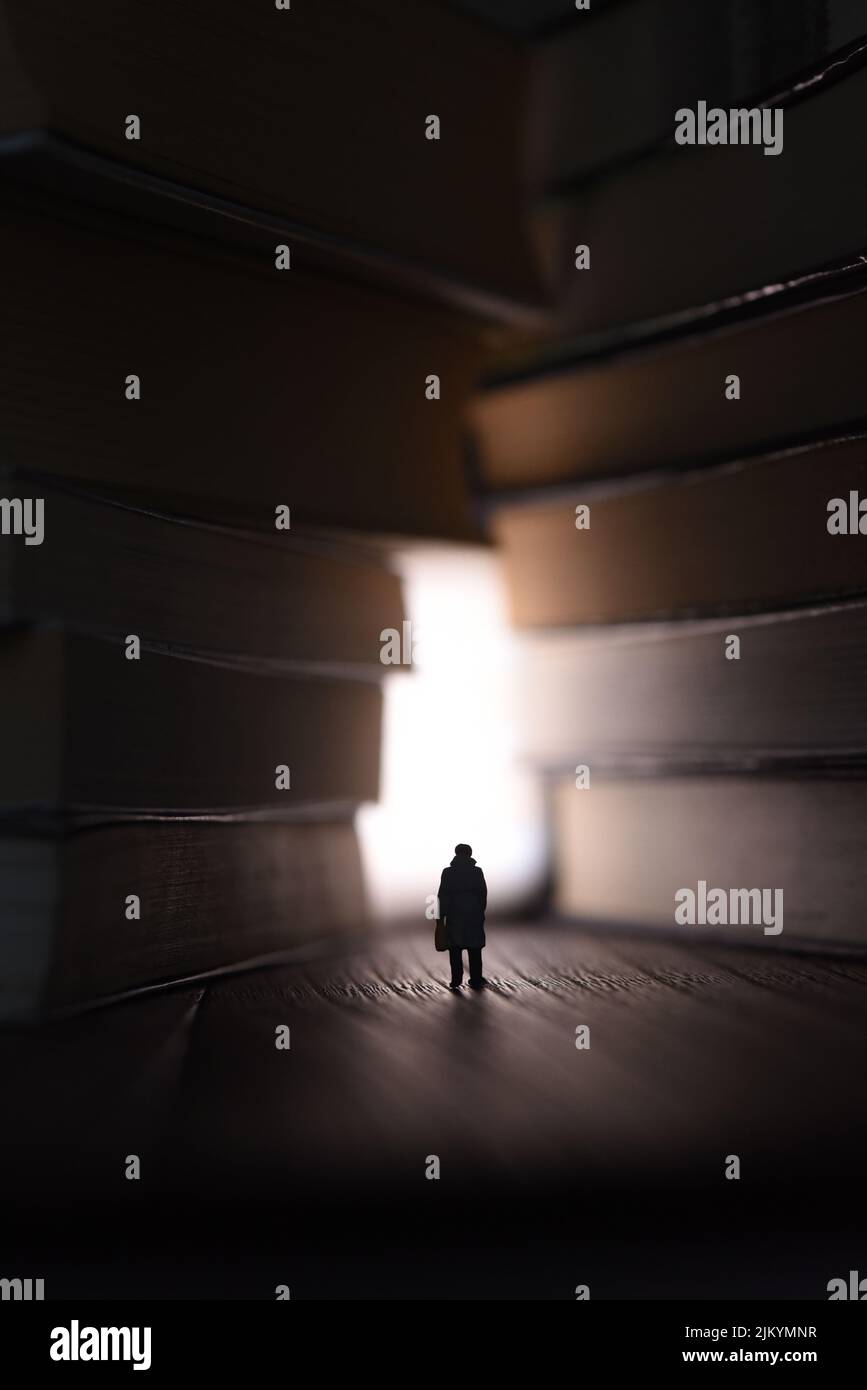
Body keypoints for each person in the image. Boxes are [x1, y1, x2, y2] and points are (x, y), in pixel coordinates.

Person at [437, 843, 487, 990]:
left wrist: (439, 917)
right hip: (473, 914)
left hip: (454, 914)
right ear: (470, 854)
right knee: (475, 949)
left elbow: (442, 895)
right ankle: (476, 978)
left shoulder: (448, 872)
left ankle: (456, 979)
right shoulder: (477, 871)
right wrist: (480, 911)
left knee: (455, 948)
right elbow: (482, 894)